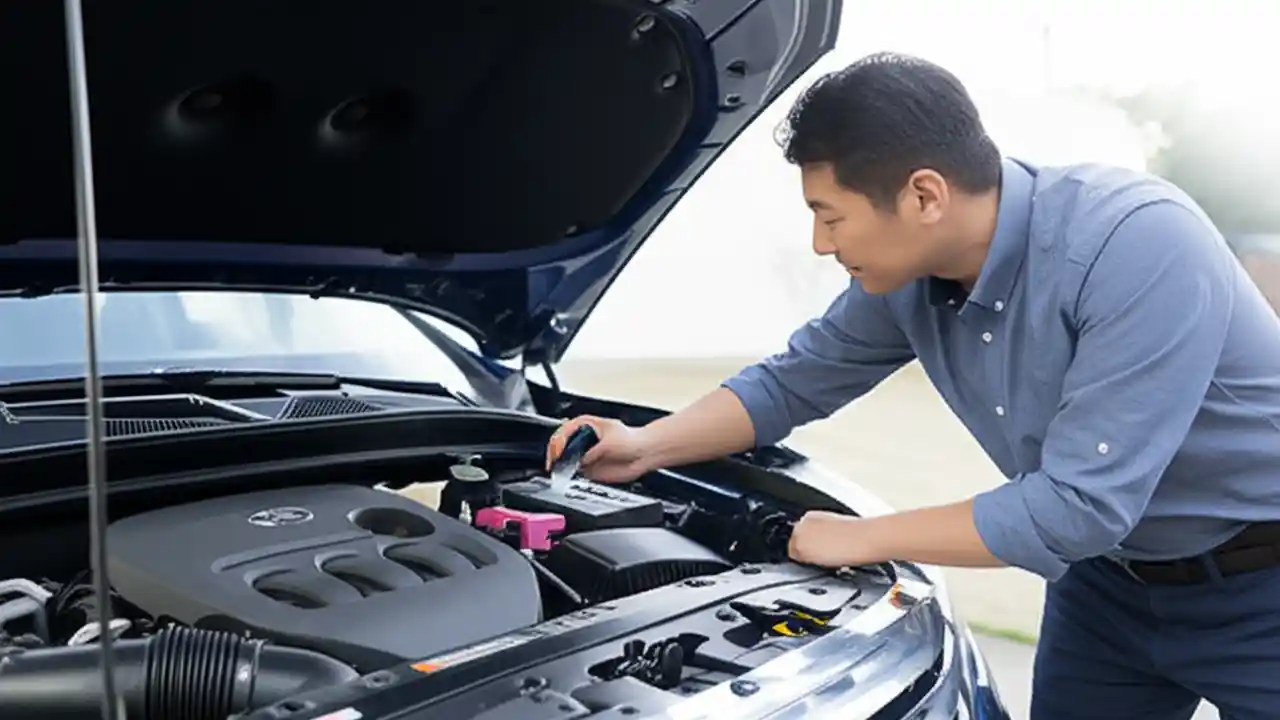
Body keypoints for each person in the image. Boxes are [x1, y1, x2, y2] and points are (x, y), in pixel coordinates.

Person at [544, 52, 1280, 718]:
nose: (821, 244)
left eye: (830, 216)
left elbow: (1077, 506)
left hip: (1263, 590)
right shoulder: (907, 278)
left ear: (925, 195)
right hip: (1108, 593)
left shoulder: (1136, 244)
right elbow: (792, 383)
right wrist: (645, 446)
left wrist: (852, 538)